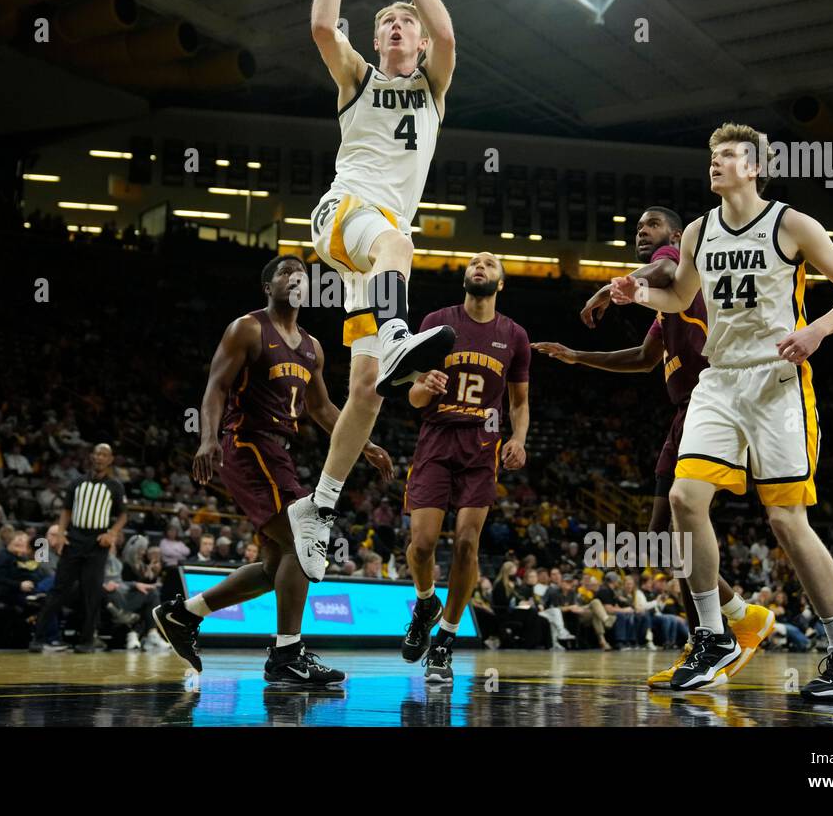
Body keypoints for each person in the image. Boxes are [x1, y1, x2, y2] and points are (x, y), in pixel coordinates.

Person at [610, 122, 833, 700]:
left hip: (777, 380)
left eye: (729, 155)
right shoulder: (698, 232)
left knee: (785, 521)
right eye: (713, 154)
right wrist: (640, 296)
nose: (716, 162)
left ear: (755, 166)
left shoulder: (791, 224)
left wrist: (818, 332)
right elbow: (680, 299)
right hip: (719, 379)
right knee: (683, 499)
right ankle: (713, 637)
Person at [289, 0, 460, 584]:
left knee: (367, 389)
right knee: (400, 244)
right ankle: (397, 331)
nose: (396, 27)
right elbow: (323, 26)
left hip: (373, 253)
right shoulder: (357, 80)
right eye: (387, 21)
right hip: (346, 213)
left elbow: (449, 35)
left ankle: (321, 505)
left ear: (417, 46)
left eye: (405, 25)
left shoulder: (433, 87)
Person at [535, 205, 775, 685]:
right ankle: (730, 623)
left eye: (651, 226)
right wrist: (578, 356)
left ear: (676, 234)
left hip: (713, 403)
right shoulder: (667, 305)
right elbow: (645, 359)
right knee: (666, 541)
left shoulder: (676, 261)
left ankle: (715, 638)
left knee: (675, 537)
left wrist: (608, 289)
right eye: (637, 229)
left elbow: (664, 267)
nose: (642, 233)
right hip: (685, 413)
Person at [162, 256, 392, 685]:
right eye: (286, 273)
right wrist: (207, 438)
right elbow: (216, 386)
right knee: (303, 542)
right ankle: (286, 654)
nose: (296, 279)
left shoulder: (312, 346)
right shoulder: (247, 329)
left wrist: (366, 444)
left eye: (302, 275)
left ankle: (184, 615)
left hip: (278, 452)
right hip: (247, 443)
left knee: (276, 566)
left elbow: (322, 408)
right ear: (268, 286)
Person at [401, 253, 529, 683]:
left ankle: (446, 642)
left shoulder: (514, 335)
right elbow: (413, 398)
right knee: (421, 546)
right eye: (475, 262)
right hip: (437, 438)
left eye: (491, 264)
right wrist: (424, 385)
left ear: (501, 283)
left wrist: (517, 438)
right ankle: (424, 603)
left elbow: (520, 402)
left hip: (481, 445)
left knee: (467, 545)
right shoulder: (438, 321)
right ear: (465, 277)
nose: (481, 266)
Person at [31, 443, 126, 653]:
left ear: (110, 459)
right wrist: (62, 533)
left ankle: (86, 641)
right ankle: (38, 638)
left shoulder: (115, 486)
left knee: (91, 593)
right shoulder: (77, 483)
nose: (100, 457)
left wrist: (111, 533)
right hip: (74, 539)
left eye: (104, 454)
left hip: (97, 544)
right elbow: (66, 510)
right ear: (92, 457)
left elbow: (123, 515)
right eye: (97, 453)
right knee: (58, 590)